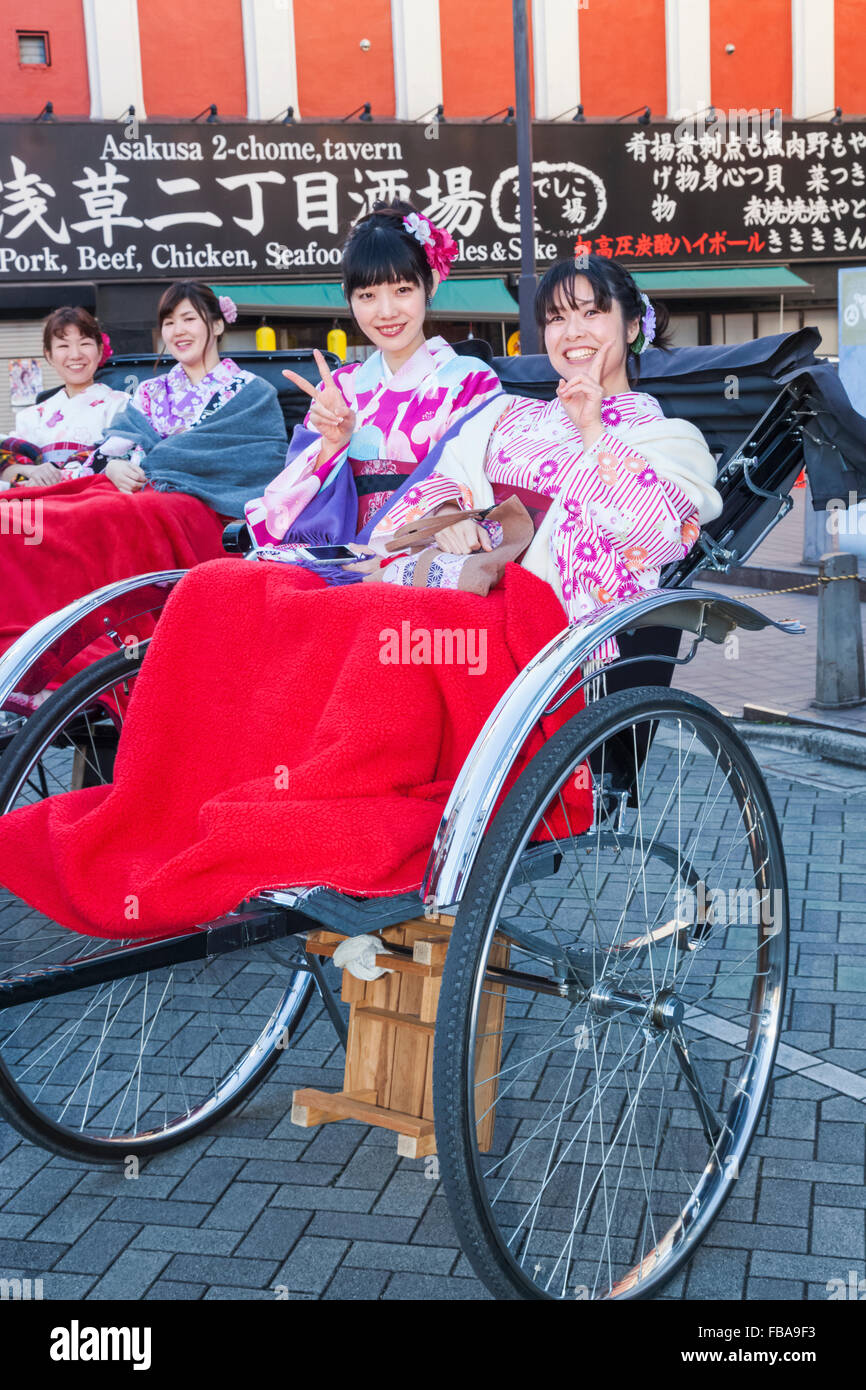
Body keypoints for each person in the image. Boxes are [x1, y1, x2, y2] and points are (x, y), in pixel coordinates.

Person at [0, 257, 722, 940]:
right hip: (446, 583)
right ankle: (185, 799)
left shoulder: (668, 434)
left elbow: (659, 528)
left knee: (390, 618)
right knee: (226, 587)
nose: (574, 333)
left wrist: (594, 432)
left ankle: (307, 809)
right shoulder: (508, 415)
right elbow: (438, 490)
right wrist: (457, 525)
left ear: (632, 326)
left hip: (533, 626)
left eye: (593, 314)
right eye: (559, 318)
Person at [0, 280, 288, 681]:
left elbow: (258, 461)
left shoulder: (252, 392)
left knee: (120, 513)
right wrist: (113, 466)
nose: (177, 331)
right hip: (134, 490)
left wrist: (154, 465)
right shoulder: (151, 391)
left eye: (189, 318)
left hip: (202, 503)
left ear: (218, 326)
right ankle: (34, 637)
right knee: (34, 513)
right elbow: (110, 449)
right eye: (169, 322)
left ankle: (110, 644)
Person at [244, 199, 502, 547]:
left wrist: (442, 509)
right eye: (367, 295)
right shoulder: (339, 388)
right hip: (346, 555)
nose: (386, 311)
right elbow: (290, 506)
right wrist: (333, 446)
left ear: (432, 284)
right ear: (347, 298)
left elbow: (495, 481)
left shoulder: (471, 382)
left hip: (426, 555)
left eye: (402, 290)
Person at [0, 307, 127, 488]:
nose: (75, 355)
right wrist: (31, 471)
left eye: (84, 343)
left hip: (95, 498)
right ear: (49, 355)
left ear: (99, 351)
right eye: (63, 346)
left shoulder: (121, 404)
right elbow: (7, 465)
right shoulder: (31, 416)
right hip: (44, 503)